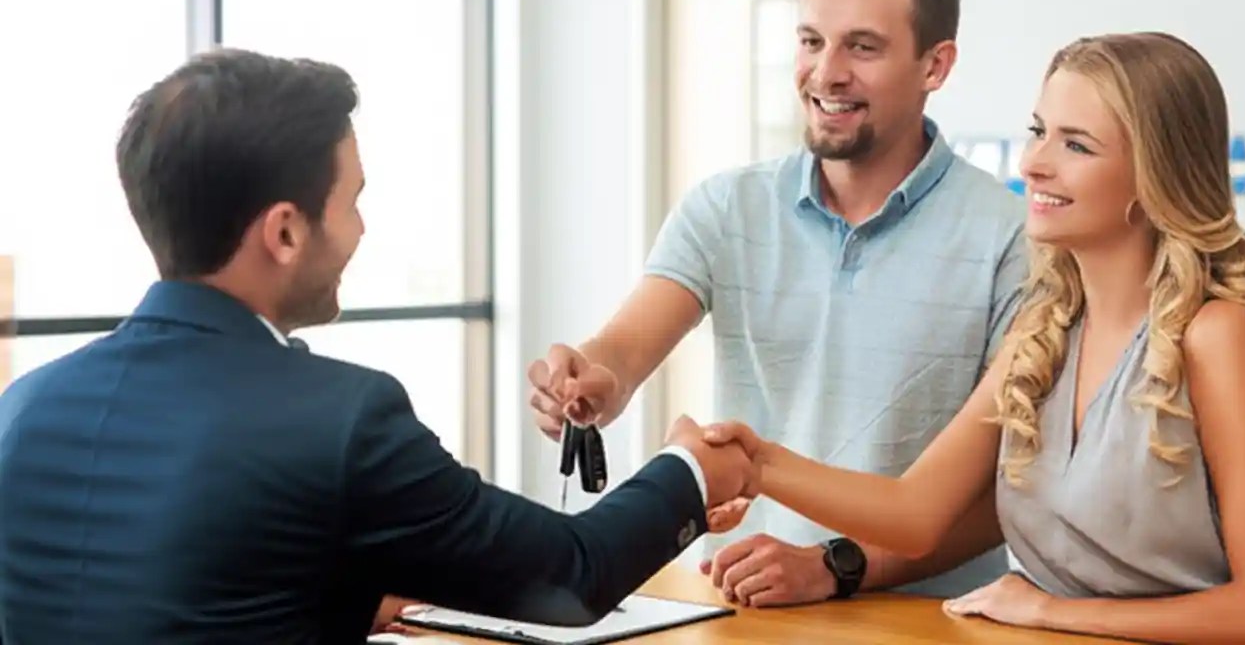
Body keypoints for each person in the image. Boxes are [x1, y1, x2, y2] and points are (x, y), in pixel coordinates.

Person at [0, 48, 757, 644]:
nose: (361, 229)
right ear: (288, 231)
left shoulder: (26, 407)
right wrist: (693, 470)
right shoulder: (338, 417)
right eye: (353, 200)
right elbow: (569, 577)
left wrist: (342, 597)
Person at [702, 31, 1245, 642]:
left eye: (1077, 144)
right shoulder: (1043, 331)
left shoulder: (1217, 335)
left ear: (1156, 174)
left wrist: (1051, 611)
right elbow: (915, 514)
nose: (1033, 163)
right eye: (1039, 132)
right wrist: (756, 463)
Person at [527, 0, 1024, 604]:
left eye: (863, 46)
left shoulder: (1012, 237)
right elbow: (624, 347)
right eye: (812, 40)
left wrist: (836, 565)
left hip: (932, 621)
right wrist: (589, 381)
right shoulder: (726, 206)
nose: (827, 73)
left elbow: (1003, 493)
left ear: (934, 66)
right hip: (745, 606)